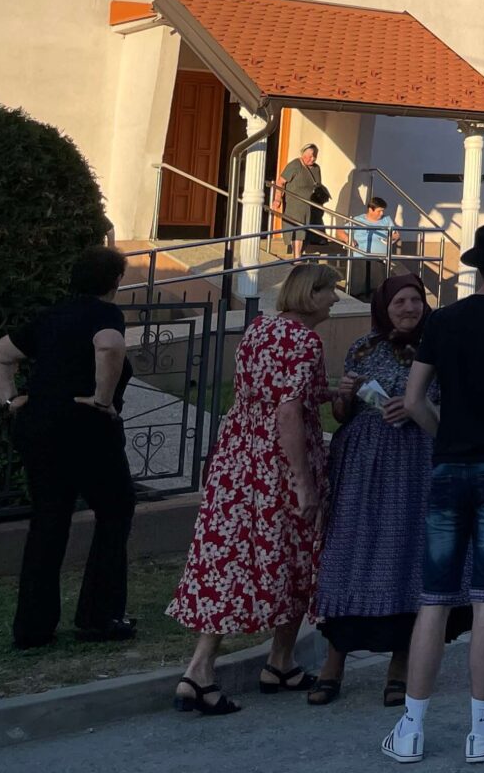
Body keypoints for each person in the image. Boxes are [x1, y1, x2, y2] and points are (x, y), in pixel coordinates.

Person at [382, 222, 484, 764]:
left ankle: (411, 727)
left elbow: (414, 400)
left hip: (448, 468)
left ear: (479, 267)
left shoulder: (444, 320)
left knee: (433, 599)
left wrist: (445, 437)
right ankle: (483, 727)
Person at [167, 262, 341, 714]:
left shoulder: (260, 329)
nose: (335, 299)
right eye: (330, 291)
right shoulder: (305, 341)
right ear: (311, 294)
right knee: (297, 554)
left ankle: (257, 664)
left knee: (228, 557)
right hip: (278, 465)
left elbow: (271, 392)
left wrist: (334, 391)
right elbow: (287, 411)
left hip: (238, 459)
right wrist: (303, 483)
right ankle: (217, 670)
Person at [312, 274, 468, 708]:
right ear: (384, 306)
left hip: (415, 463)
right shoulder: (363, 347)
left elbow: (457, 405)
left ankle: (400, 665)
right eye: (400, 301)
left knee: (408, 555)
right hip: (363, 466)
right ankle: (333, 663)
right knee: (350, 551)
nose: (409, 308)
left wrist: (418, 406)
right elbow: (342, 415)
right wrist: (344, 397)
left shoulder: (440, 345)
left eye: (415, 300)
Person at [0, 245, 136, 649]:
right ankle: (100, 615)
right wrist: (102, 400)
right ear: (115, 281)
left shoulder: (51, 316)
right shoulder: (105, 314)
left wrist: (9, 401)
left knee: (48, 520)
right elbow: (109, 346)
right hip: (87, 428)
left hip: (39, 428)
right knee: (115, 510)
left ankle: (33, 628)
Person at [275, 143, 326, 255]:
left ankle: (299, 255)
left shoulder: (316, 168)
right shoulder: (295, 165)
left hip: (310, 206)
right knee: (298, 230)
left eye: (315, 156)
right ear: (303, 154)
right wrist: (277, 199)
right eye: (310, 156)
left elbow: (318, 185)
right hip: (295, 206)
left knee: (307, 231)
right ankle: (297, 257)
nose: (313, 158)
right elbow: (280, 182)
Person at [347, 194, 396, 297]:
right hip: (361, 256)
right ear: (370, 209)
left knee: (378, 289)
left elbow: (396, 234)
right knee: (359, 289)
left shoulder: (386, 219)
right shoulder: (358, 220)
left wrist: (391, 238)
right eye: (379, 211)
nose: (381, 213)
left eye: (383, 211)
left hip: (380, 258)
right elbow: (340, 231)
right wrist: (348, 239)